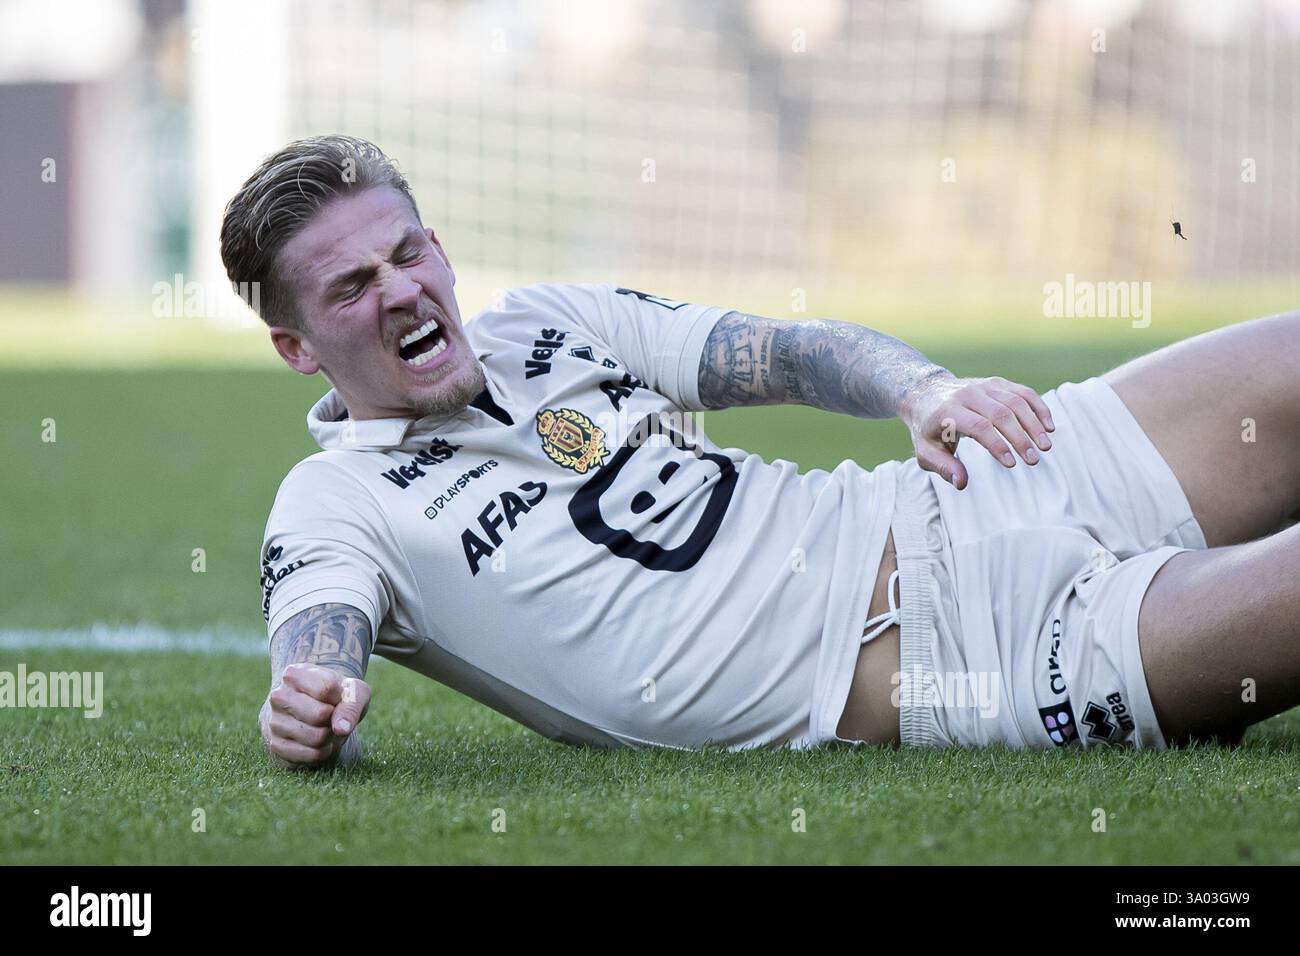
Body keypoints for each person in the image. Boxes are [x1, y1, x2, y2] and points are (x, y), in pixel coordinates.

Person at [221, 135, 1300, 768]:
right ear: (294, 345)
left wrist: (924, 392)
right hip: (960, 658)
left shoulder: (550, 322)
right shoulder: (335, 499)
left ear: (438, 249)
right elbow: (319, 653)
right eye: (351, 286)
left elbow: (784, 351)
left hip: (962, 478)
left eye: (406, 253)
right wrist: (307, 703)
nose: (401, 290)